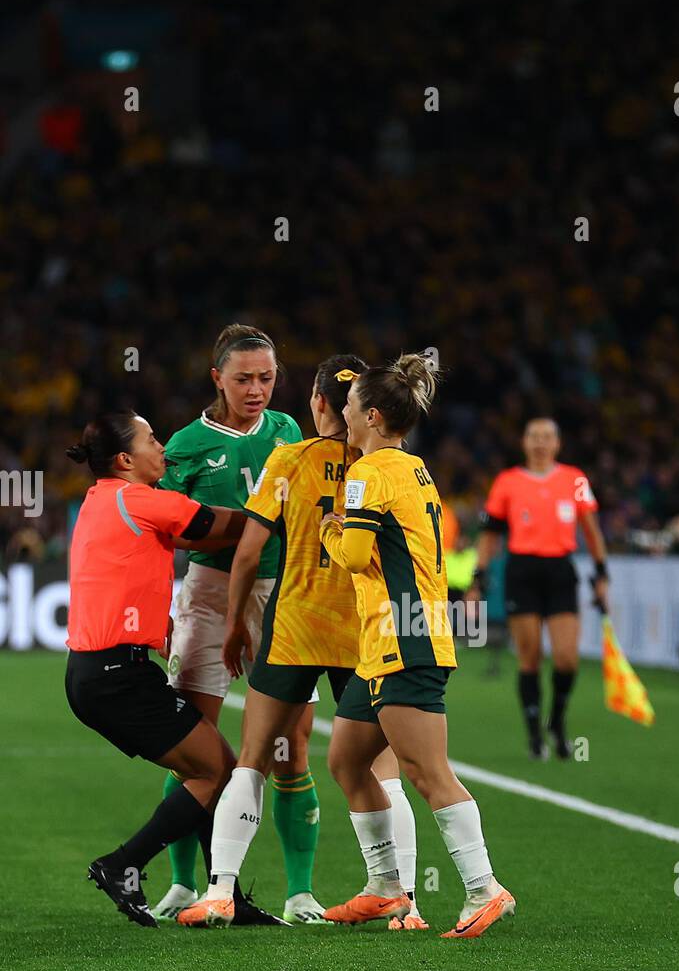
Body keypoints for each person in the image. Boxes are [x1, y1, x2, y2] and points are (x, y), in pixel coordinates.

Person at [179, 356, 425, 929]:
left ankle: (219, 890)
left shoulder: (288, 459)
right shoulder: (390, 467)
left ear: (319, 404)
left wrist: (237, 622)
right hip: (364, 633)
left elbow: (246, 554)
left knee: (253, 758)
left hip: (294, 627)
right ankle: (403, 895)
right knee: (382, 765)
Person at [318, 354, 515, 939]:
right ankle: (385, 887)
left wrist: (329, 528)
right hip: (389, 642)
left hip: (406, 641)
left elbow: (352, 556)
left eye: (351, 409)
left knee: (428, 773)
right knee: (348, 761)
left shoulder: (367, 474)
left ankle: (484, 888)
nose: (343, 417)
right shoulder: (414, 468)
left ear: (372, 416)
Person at [64, 411, 283, 928]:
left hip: (99, 673)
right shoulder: (138, 497)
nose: (162, 447)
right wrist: (277, 506)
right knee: (219, 770)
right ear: (124, 460)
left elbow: (177, 543)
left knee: (206, 767)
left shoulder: (102, 500)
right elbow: (212, 526)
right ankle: (124, 865)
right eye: (151, 439)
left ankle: (221, 894)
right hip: (118, 676)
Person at [153, 324, 321, 924]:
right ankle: (180, 884)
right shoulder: (186, 445)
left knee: (290, 748)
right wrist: (160, 614)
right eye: (244, 378)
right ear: (216, 377)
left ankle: (300, 894)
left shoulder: (287, 431)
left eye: (267, 378)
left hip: (280, 596)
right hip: (209, 594)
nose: (257, 389)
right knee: (193, 747)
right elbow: (161, 533)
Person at [472, 417, 609, 759]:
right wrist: (479, 576)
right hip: (523, 571)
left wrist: (601, 573)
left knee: (566, 659)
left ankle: (557, 720)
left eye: (547, 437)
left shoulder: (574, 479)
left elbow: (591, 530)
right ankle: (534, 734)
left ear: (557, 444)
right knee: (529, 658)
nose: (540, 442)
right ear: (524, 442)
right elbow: (489, 535)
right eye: (534, 436)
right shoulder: (507, 481)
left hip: (560, 570)